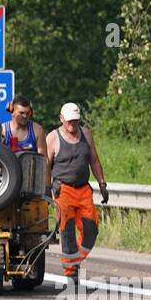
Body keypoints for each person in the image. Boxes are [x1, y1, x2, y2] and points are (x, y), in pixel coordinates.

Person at [45, 102, 108, 286]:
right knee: (67, 233)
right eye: (69, 121)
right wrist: (47, 189)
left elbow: (94, 160)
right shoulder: (53, 138)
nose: (73, 124)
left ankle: (74, 260)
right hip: (63, 190)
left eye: (75, 121)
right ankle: (71, 274)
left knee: (91, 230)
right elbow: (46, 166)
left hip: (83, 189)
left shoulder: (86, 134)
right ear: (62, 119)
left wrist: (102, 183)